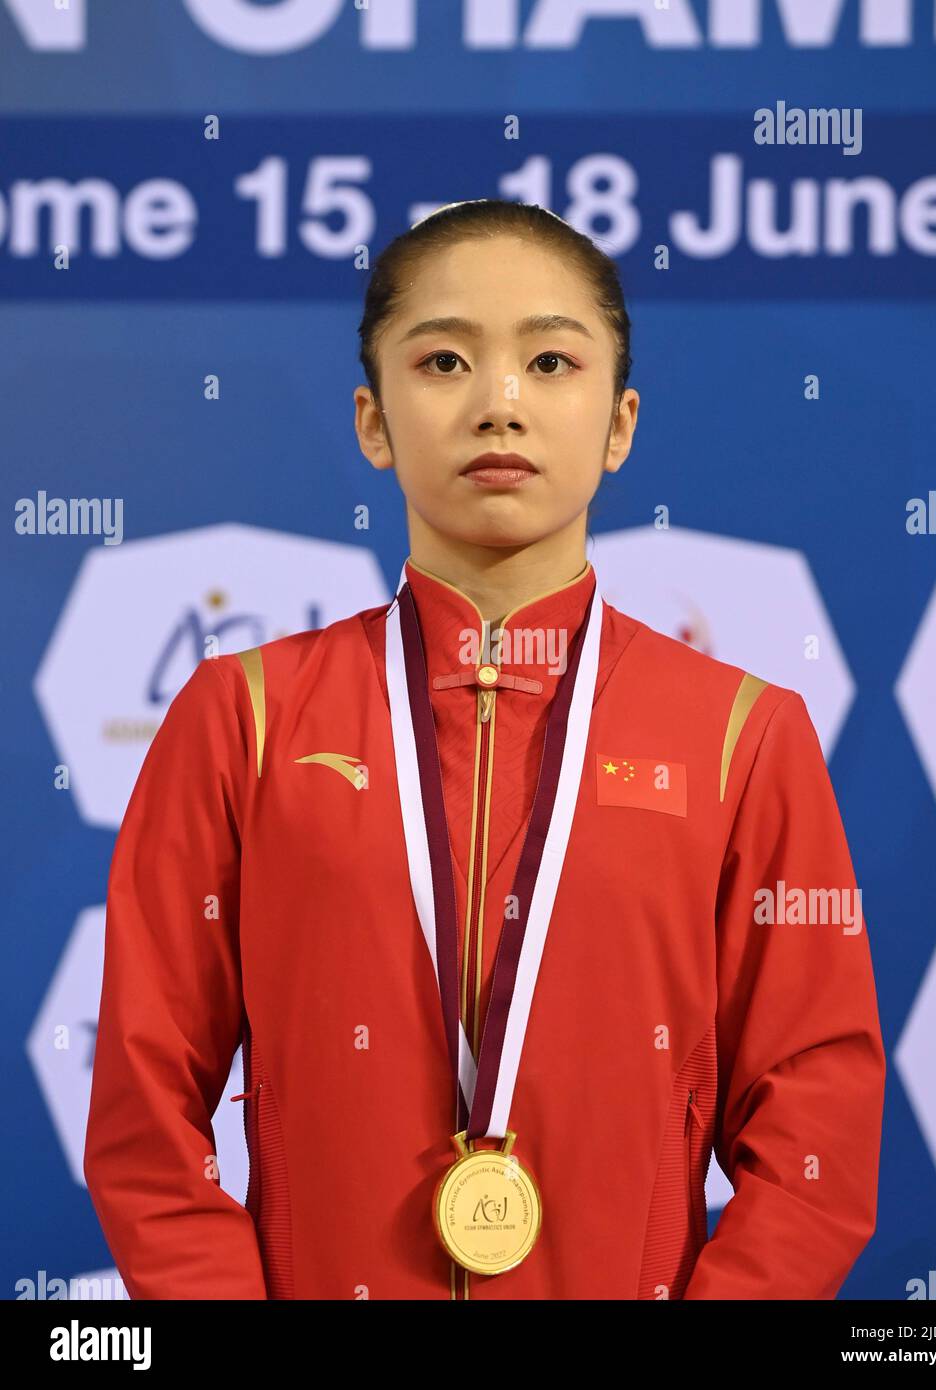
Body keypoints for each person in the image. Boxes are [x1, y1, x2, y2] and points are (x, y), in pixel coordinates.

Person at [84, 198, 886, 1300]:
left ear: (621, 424)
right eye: (446, 360)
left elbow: (817, 1127)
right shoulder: (245, 717)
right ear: (373, 421)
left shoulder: (745, 733)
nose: (500, 403)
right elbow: (143, 1106)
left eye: (551, 361)